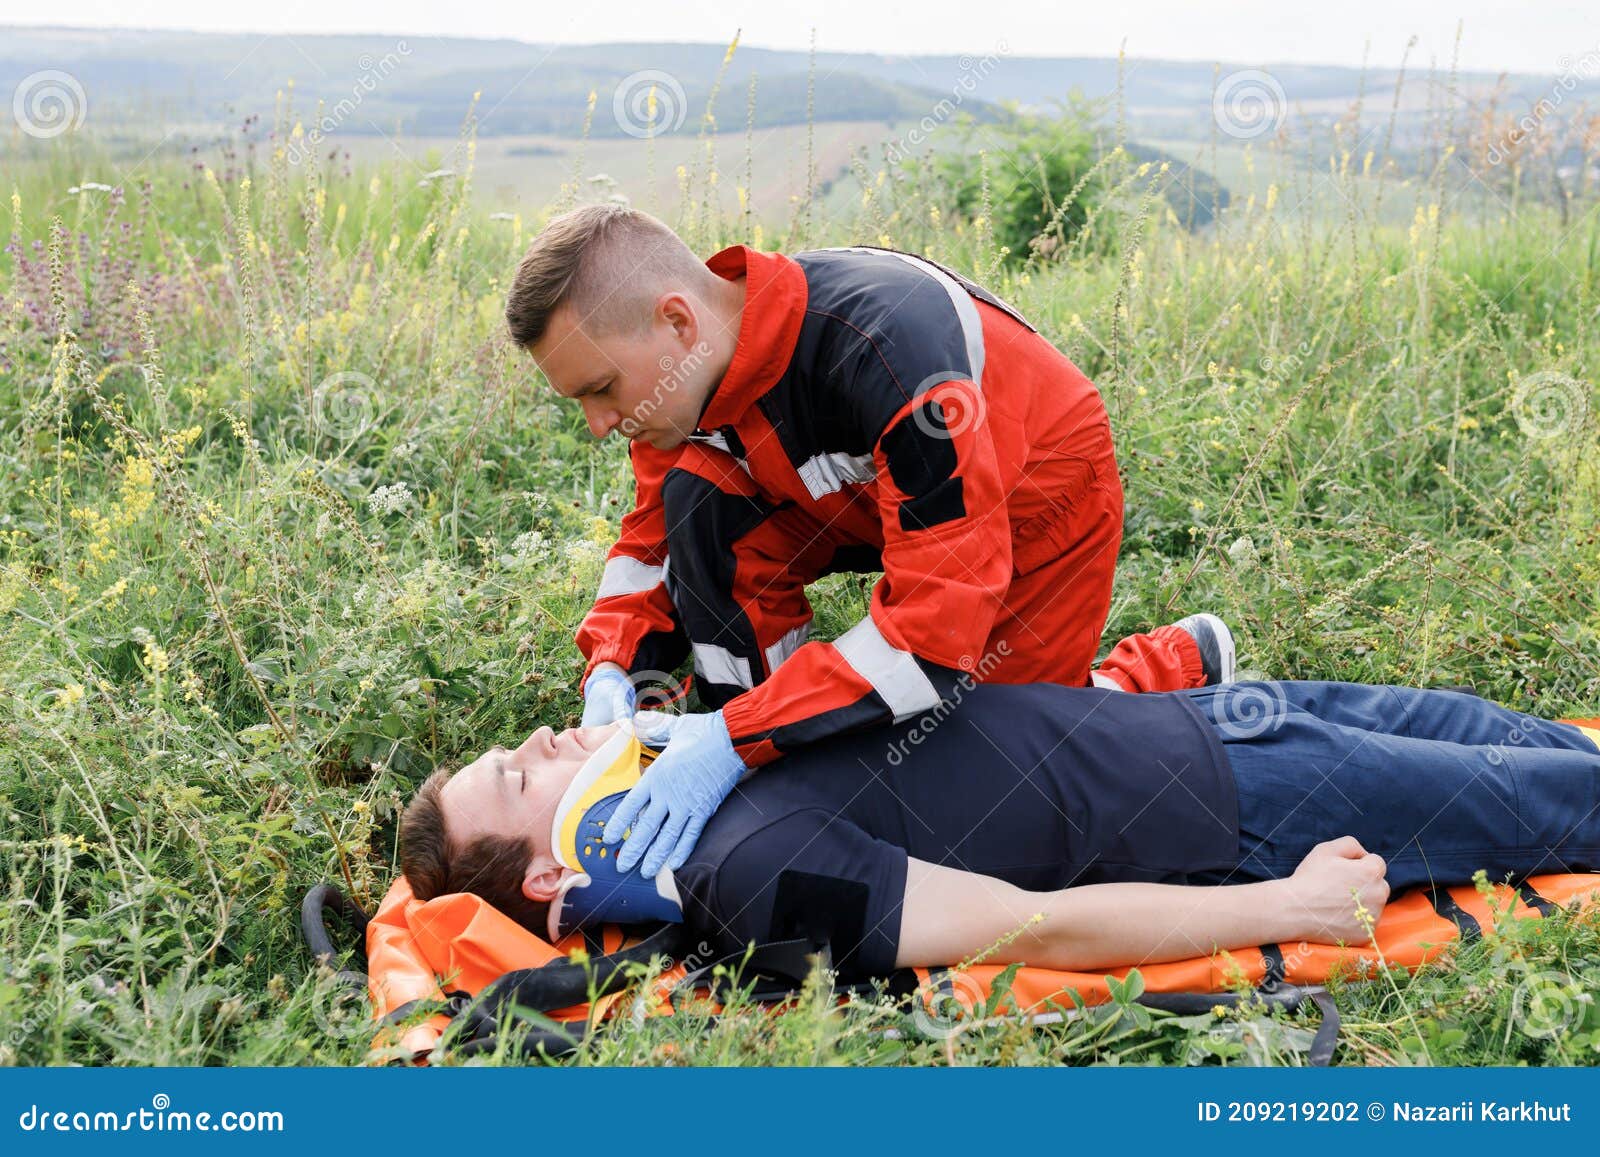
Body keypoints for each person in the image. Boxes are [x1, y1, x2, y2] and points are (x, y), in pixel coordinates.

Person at [502, 203, 1235, 880]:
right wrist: (616, 673)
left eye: (600, 390)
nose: (600, 425)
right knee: (699, 499)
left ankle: (1154, 673)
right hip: (866, 493)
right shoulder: (678, 388)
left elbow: (931, 637)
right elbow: (650, 547)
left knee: (996, 791)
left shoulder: (890, 350)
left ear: (679, 323)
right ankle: (784, 765)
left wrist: (730, 736)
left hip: (1033, 498)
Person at [399, 680, 1600, 978]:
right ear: (558, 865)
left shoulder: (705, 769)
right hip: (1246, 806)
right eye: (519, 770)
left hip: (1211, 720)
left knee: (1554, 748)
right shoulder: (743, 872)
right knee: (1573, 805)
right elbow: (1027, 927)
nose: (550, 739)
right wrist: (1282, 907)